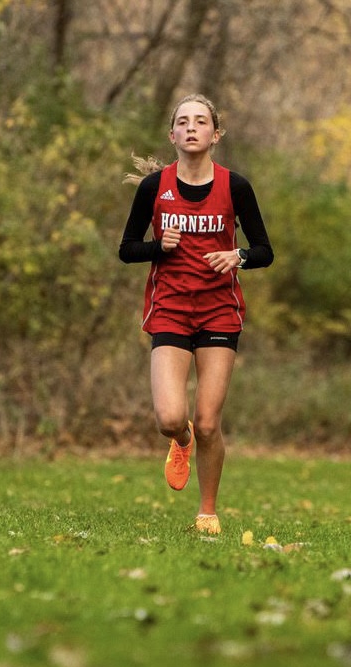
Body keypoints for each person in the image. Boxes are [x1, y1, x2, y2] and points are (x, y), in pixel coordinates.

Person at [119, 93, 273, 535]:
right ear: (172, 135)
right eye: (183, 121)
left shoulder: (235, 187)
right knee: (172, 418)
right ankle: (179, 441)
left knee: (209, 422)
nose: (191, 127)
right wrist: (157, 246)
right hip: (169, 309)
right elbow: (127, 249)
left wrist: (237, 257)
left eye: (200, 121)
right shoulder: (154, 188)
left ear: (215, 134)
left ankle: (207, 513)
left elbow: (265, 251)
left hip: (219, 312)